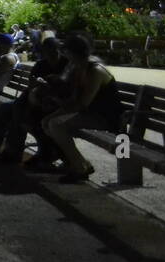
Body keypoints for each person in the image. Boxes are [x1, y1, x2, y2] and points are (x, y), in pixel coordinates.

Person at [0, 37, 68, 161]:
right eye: (47, 52)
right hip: (36, 99)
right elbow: (31, 84)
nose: (51, 55)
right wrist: (38, 83)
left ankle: (11, 152)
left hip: (54, 103)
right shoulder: (42, 64)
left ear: (60, 50)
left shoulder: (67, 65)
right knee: (7, 109)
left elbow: (67, 87)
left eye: (54, 51)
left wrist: (50, 84)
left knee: (18, 113)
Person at [43, 34, 125, 183]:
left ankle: (80, 167)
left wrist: (59, 105)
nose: (64, 56)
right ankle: (79, 163)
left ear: (73, 52)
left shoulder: (95, 70)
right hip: (91, 114)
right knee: (47, 122)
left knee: (56, 124)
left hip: (106, 118)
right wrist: (56, 109)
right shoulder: (79, 67)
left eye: (65, 52)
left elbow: (83, 103)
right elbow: (75, 100)